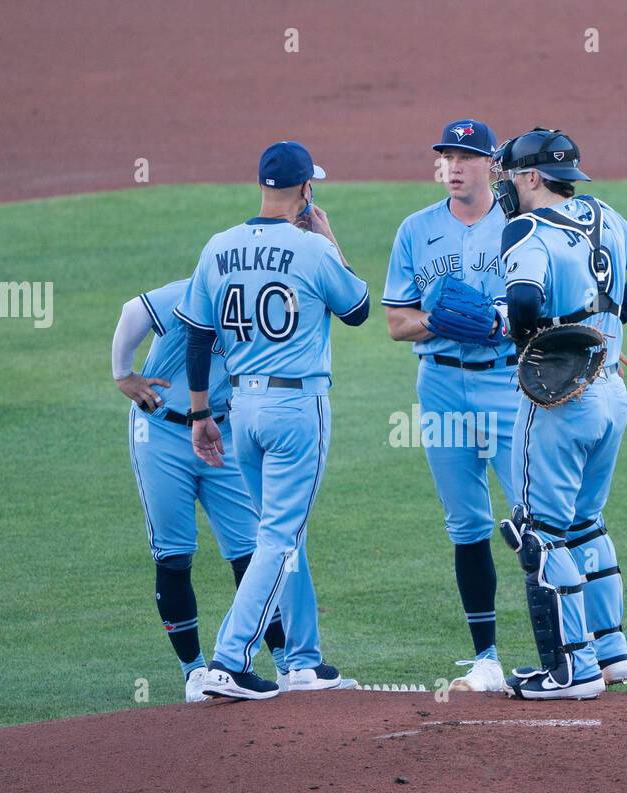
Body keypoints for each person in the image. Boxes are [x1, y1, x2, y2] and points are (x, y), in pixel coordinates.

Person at [178, 141, 370, 701]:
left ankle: (302, 660)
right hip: (296, 410)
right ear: (307, 190)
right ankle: (229, 660)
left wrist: (198, 413)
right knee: (280, 537)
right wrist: (328, 236)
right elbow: (358, 309)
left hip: (240, 410)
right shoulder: (311, 249)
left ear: (262, 186)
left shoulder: (218, 247)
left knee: (281, 533)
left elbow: (197, 333)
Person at [491, 128, 627, 700]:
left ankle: (570, 671)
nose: (503, 188)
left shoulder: (524, 229)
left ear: (529, 178)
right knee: (585, 522)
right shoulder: (601, 213)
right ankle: (609, 652)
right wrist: (604, 336)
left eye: (507, 177)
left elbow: (523, 300)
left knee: (538, 533)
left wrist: (534, 350)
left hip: (560, 403)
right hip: (611, 391)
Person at [383, 119, 517, 693]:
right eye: (446, 156)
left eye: (466, 156)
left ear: (491, 164)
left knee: (536, 517)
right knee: (466, 524)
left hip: (510, 384)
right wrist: (440, 321)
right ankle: (485, 657)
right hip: (439, 387)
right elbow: (395, 323)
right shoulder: (416, 230)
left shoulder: (520, 226)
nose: (454, 166)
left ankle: (570, 649)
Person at [113, 279, 291, 700]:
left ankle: (286, 663)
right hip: (161, 431)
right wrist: (123, 375)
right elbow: (132, 311)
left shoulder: (273, 303)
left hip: (223, 434)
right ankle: (194, 671)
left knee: (252, 552)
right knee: (174, 555)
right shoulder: (200, 290)